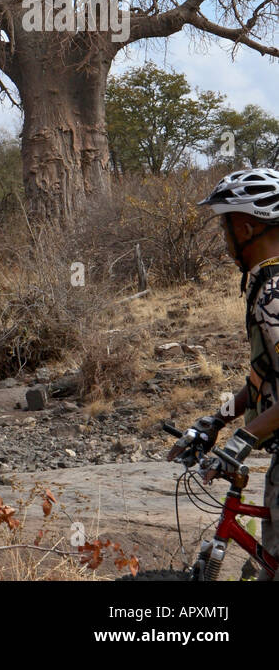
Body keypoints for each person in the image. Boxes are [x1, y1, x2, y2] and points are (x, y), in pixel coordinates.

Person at [170, 168, 279, 579]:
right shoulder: (266, 283)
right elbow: (265, 377)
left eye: (226, 226)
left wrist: (241, 442)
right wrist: (216, 418)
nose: (224, 239)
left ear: (247, 226)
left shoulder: (274, 292)